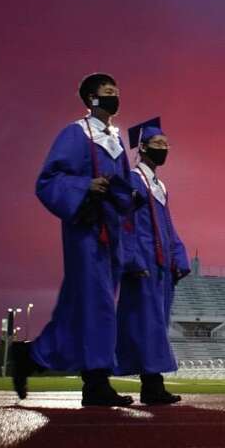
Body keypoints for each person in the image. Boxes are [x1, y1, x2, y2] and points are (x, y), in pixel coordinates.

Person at [10, 73, 133, 407]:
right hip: (86, 228)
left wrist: (128, 197)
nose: (115, 98)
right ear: (92, 99)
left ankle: (31, 357)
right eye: (108, 93)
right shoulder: (76, 134)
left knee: (78, 308)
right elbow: (48, 180)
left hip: (111, 235)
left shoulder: (116, 140)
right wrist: (84, 187)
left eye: (117, 93)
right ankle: (96, 382)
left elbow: (122, 187)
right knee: (98, 303)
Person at [109, 117, 190, 405]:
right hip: (142, 263)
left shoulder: (160, 186)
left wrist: (179, 257)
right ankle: (148, 385)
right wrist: (130, 259)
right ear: (142, 148)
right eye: (158, 144)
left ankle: (152, 386)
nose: (164, 149)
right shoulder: (133, 180)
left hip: (161, 268)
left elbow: (168, 226)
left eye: (167, 144)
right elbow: (124, 222)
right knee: (143, 325)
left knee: (155, 325)